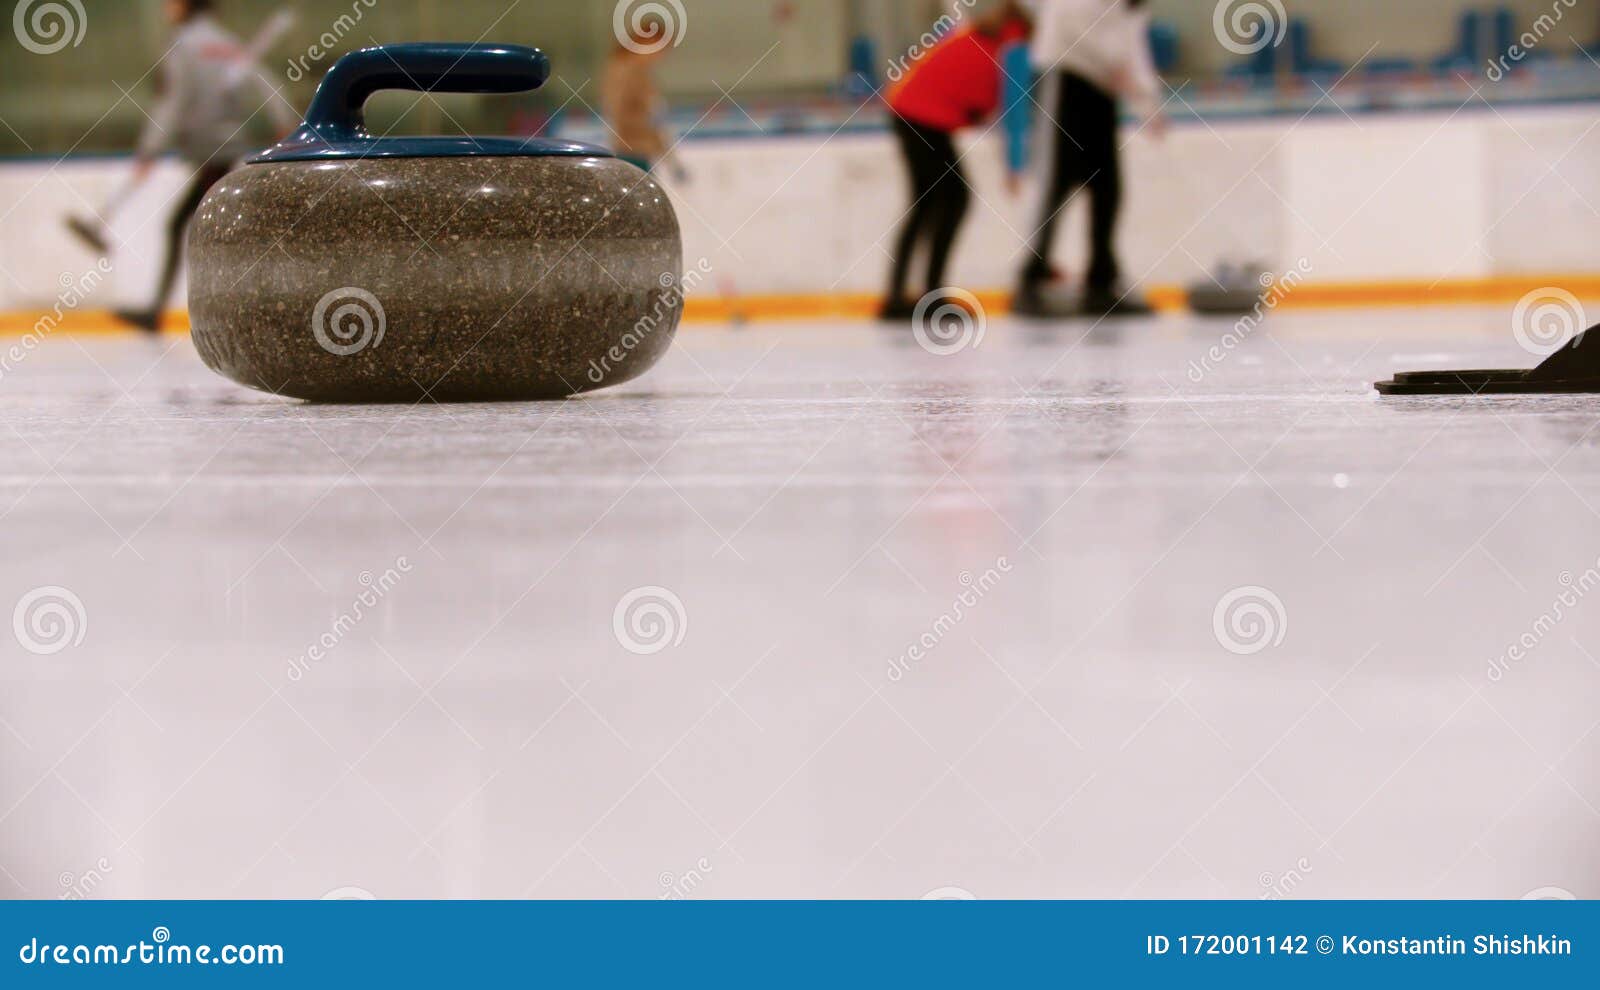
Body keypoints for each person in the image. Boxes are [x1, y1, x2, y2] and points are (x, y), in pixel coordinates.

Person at [63, 0, 296, 332]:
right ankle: (179, 311)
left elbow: (172, 104)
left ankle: (232, 311)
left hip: (210, 151)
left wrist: (150, 148)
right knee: (208, 229)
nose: (166, 6)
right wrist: (284, 122)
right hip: (225, 147)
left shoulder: (182, 45)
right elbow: (271, 86)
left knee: (205, 231)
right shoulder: (225, 42)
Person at [879, 2, 1032, 321]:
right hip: (922, 117)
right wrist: (1014, 166)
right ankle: (930, 297)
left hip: (909, 110)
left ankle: (899, 296)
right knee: (953, 200)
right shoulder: (1015, 47)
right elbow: (1013, 113)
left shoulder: (981, 35)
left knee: (927, 203)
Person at [1015, 0, 1166, 318]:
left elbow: (1132, 48)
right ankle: (1031, 279)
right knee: (1055, 183)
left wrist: (1148, 104)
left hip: (1102, 90)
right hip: (1065, 80)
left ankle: (1101, 281)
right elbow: (1062, 18)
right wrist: (1108, 63)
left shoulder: (1132, 7)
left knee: (1107, 187)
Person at [601, 16, 684, 178]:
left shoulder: (640, 73)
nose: (660, 56)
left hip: (640, 151)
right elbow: (618, 112)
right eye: (661, 49)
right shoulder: (622, 70)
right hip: (631, 151)